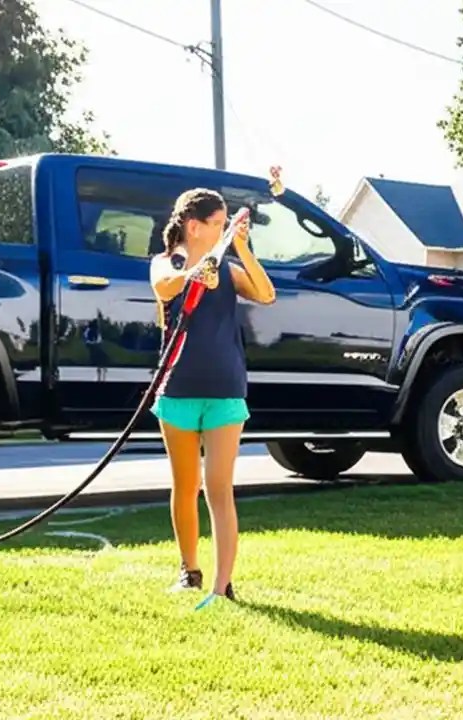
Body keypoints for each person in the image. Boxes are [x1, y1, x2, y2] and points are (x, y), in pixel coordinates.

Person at [149, 188, 276, 608]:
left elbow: (266, 293)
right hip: (178, 391)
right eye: (220, 225)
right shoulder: (165, 263)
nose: (224, 231)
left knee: (219, 488)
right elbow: (165, 288)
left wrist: (240, 246)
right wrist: (192, 274)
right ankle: (190, 572)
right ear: (194, 226)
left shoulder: (229, 267)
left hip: (225, 389)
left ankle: (223, 585)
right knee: (185, 486)